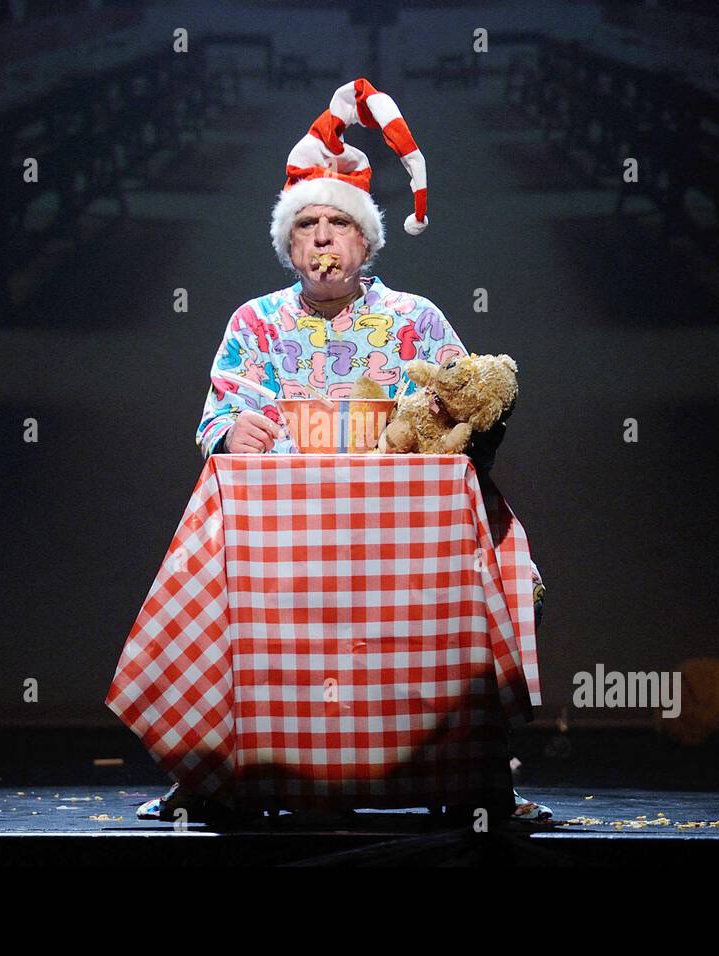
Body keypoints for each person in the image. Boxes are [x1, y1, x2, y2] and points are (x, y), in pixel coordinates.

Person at [140, 78, 549, 824]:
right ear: (287, 243)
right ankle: (216, 767)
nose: (322, 239)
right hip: (285, 539)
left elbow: (470, 411)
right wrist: (234, 432)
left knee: (504, 568)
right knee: (209, 565)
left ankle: (471, 772)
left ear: (366, 239)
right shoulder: (255, 323)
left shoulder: (413, 318)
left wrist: (456, 420)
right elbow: (216, 416)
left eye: (338, 223)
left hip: (401, 536)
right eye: (306, 226)